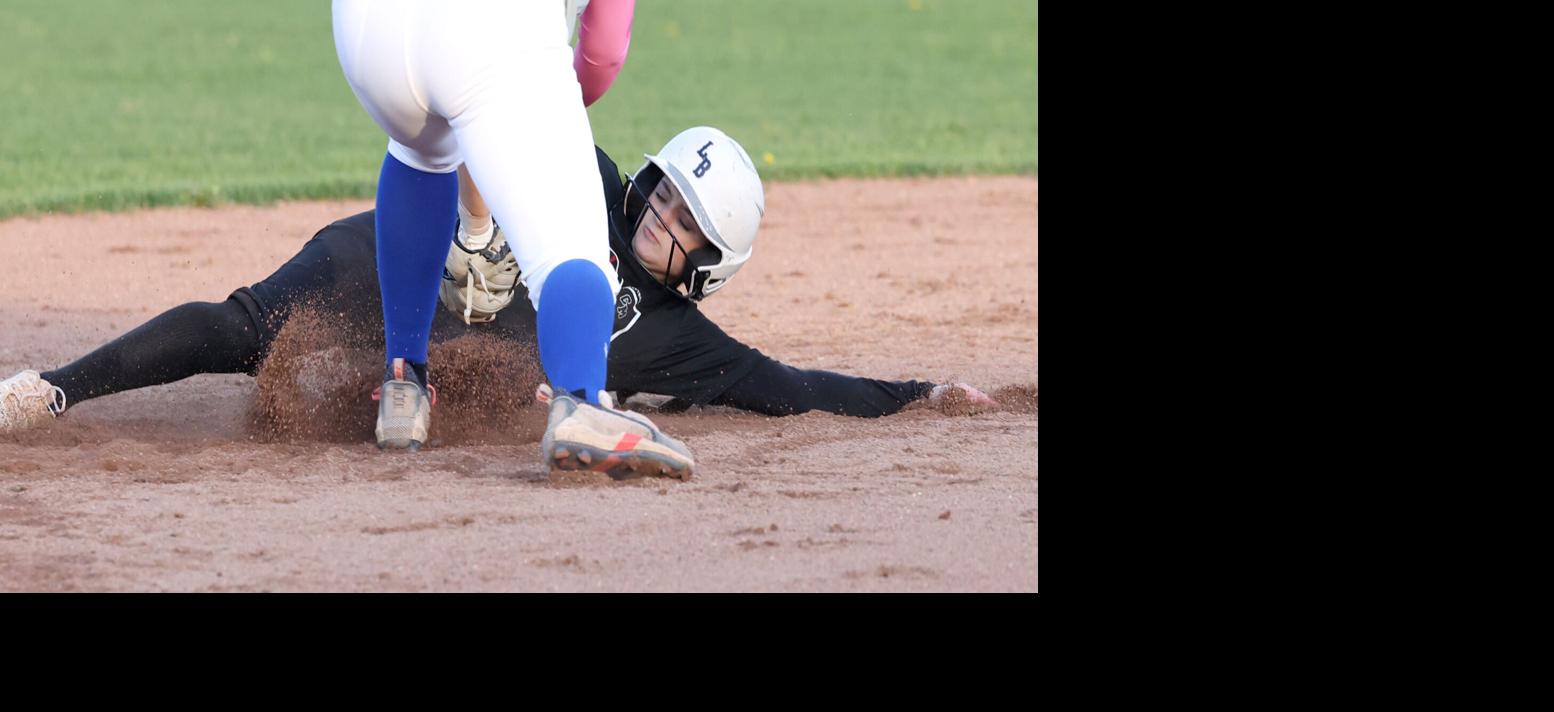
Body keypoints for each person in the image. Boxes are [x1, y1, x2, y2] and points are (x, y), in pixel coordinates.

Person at [1, 129, 996, 444]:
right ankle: (50, 387)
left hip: (425, 360)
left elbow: (795, 385)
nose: (658, 218)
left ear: (706, 265)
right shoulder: (583, 177)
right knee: (247, 327)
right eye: (663, 196)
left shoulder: (686, 344)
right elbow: (486, 129)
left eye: (683, 225)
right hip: (399, 258)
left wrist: (918, 392)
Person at [328, 0, 691, 479]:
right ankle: (583, 401)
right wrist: (521, 118)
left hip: (366, 37)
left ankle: (404, 382)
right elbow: (601, 57)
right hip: (486, 30)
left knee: (423, 149)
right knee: (572, 249)